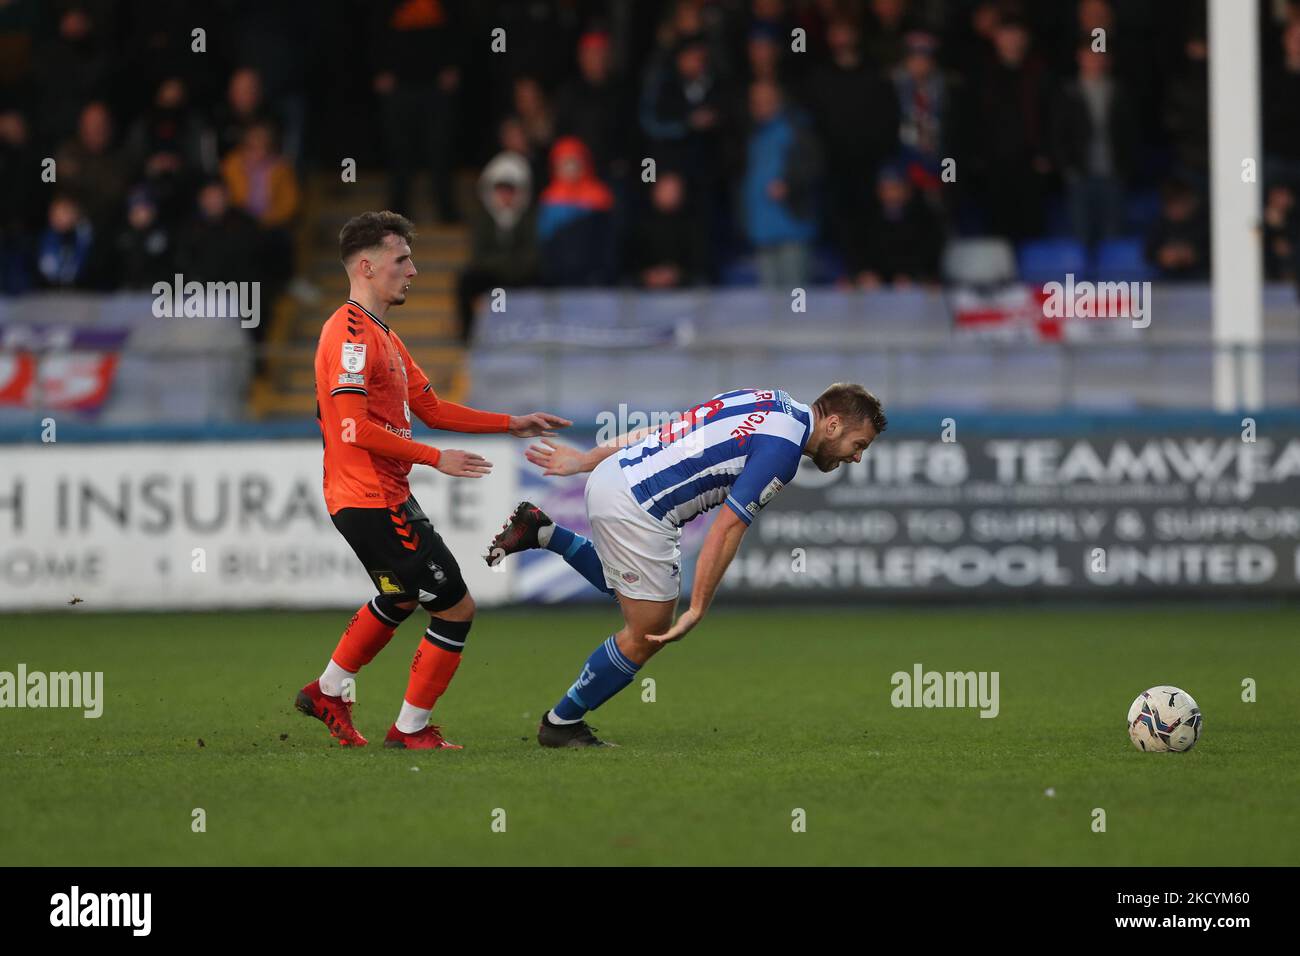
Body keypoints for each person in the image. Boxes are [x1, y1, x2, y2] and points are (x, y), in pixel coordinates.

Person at [295, 211, 571, 750]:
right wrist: (433, 458)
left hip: (379, 495)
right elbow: (352, 426)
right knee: (455, 606)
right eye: (402, 260)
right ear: (369, 266)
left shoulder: (382, 337)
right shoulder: (350, 335)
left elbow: (431, 406)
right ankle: (409, 729)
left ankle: (328, 690)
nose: (414, 270)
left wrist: (510, 423)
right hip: (370, 497)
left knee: (398, 597)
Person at [486, 384, 886, 748]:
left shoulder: (766, 398)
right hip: (639, 509)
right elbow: (728, 527)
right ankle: (561, 723)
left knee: (637, 594)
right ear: (832, 425)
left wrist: (589, 460)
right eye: (859, 443)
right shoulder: (783, 451)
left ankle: (544, 533)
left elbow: (669, 428)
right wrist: (698, 607)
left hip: (616, 475)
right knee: (650, 630)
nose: (856, 455)